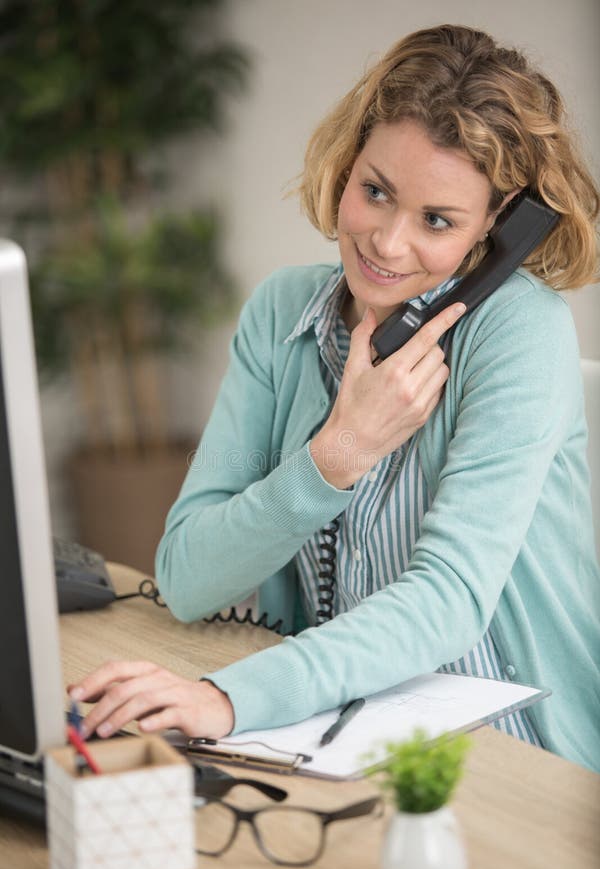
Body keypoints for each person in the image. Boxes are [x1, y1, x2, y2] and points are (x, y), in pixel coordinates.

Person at [69, 24, 600, 772]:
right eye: (376, 192)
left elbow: (448, 599)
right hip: (329, 726)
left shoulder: (519, 332)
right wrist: (333, 458)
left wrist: (226, 699)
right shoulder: (282, 318)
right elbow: (186, 576)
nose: (386, 243)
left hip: (514, 751)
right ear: (346, 167)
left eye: (437, 221)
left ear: (499, 226)